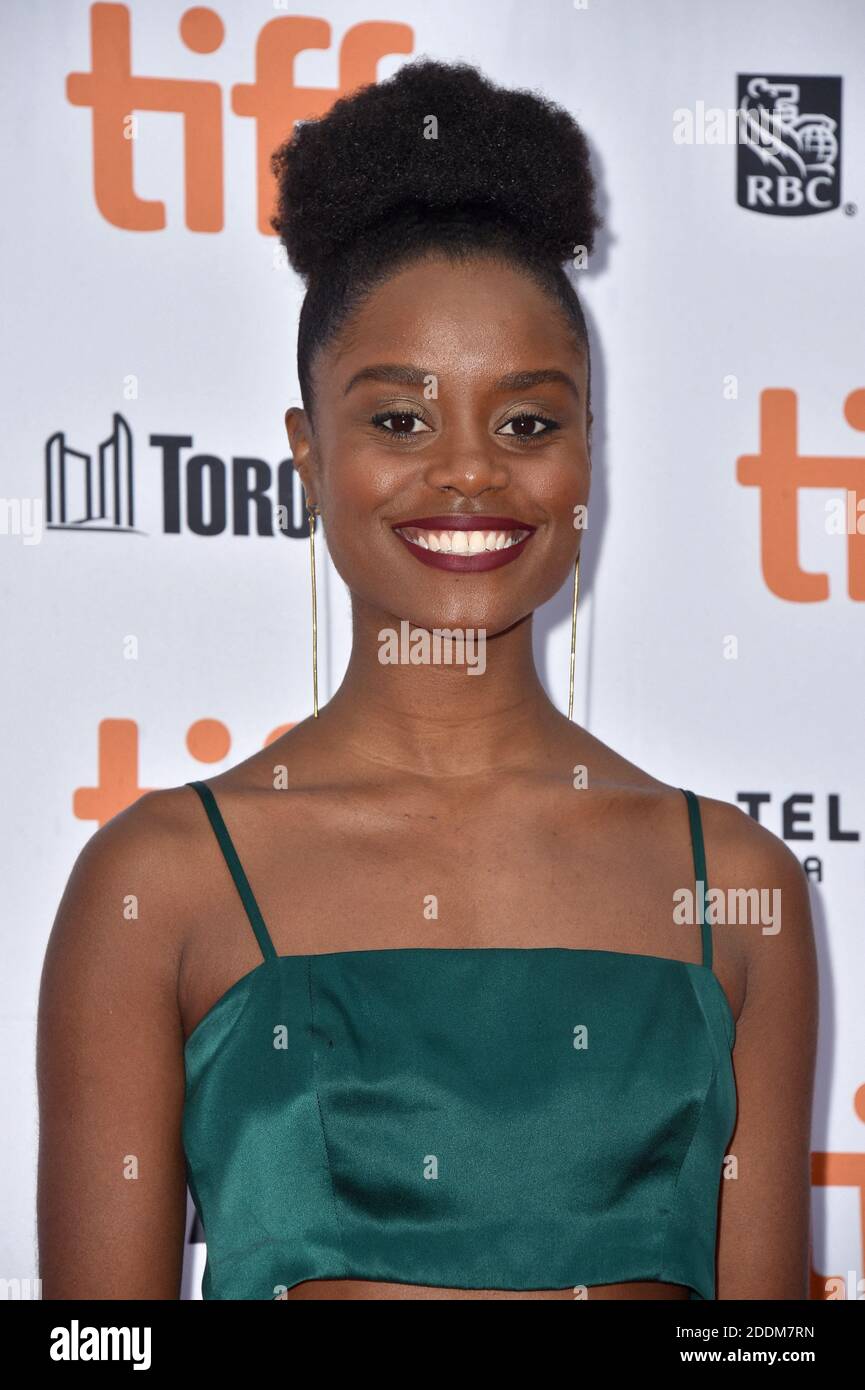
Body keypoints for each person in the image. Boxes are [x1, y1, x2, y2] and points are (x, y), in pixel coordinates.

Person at [37, 58, 817, 1301]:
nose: (468, 475)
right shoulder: (161, 881)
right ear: (307, 450)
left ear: (587, 453)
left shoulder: (733, 885)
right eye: (400, 420)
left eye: (526, 423)